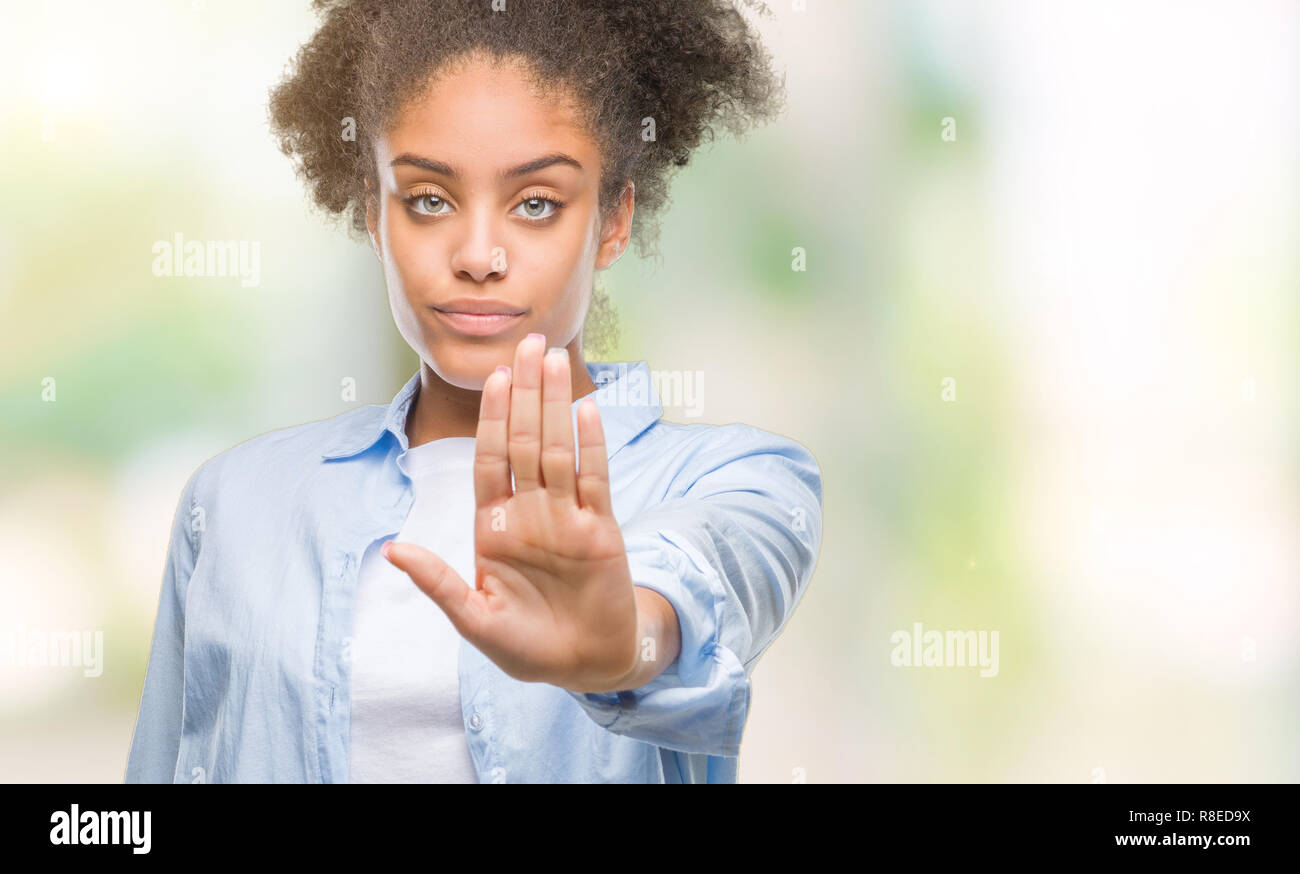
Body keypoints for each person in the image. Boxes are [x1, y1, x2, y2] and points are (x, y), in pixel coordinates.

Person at [125, 0, 822, 784]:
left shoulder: (743, 479)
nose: (479, 254)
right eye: (428, 199)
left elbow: (701, 586)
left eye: (536, 204)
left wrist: (626, 640)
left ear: (614, 220)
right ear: (373, 211)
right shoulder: (232, 503)